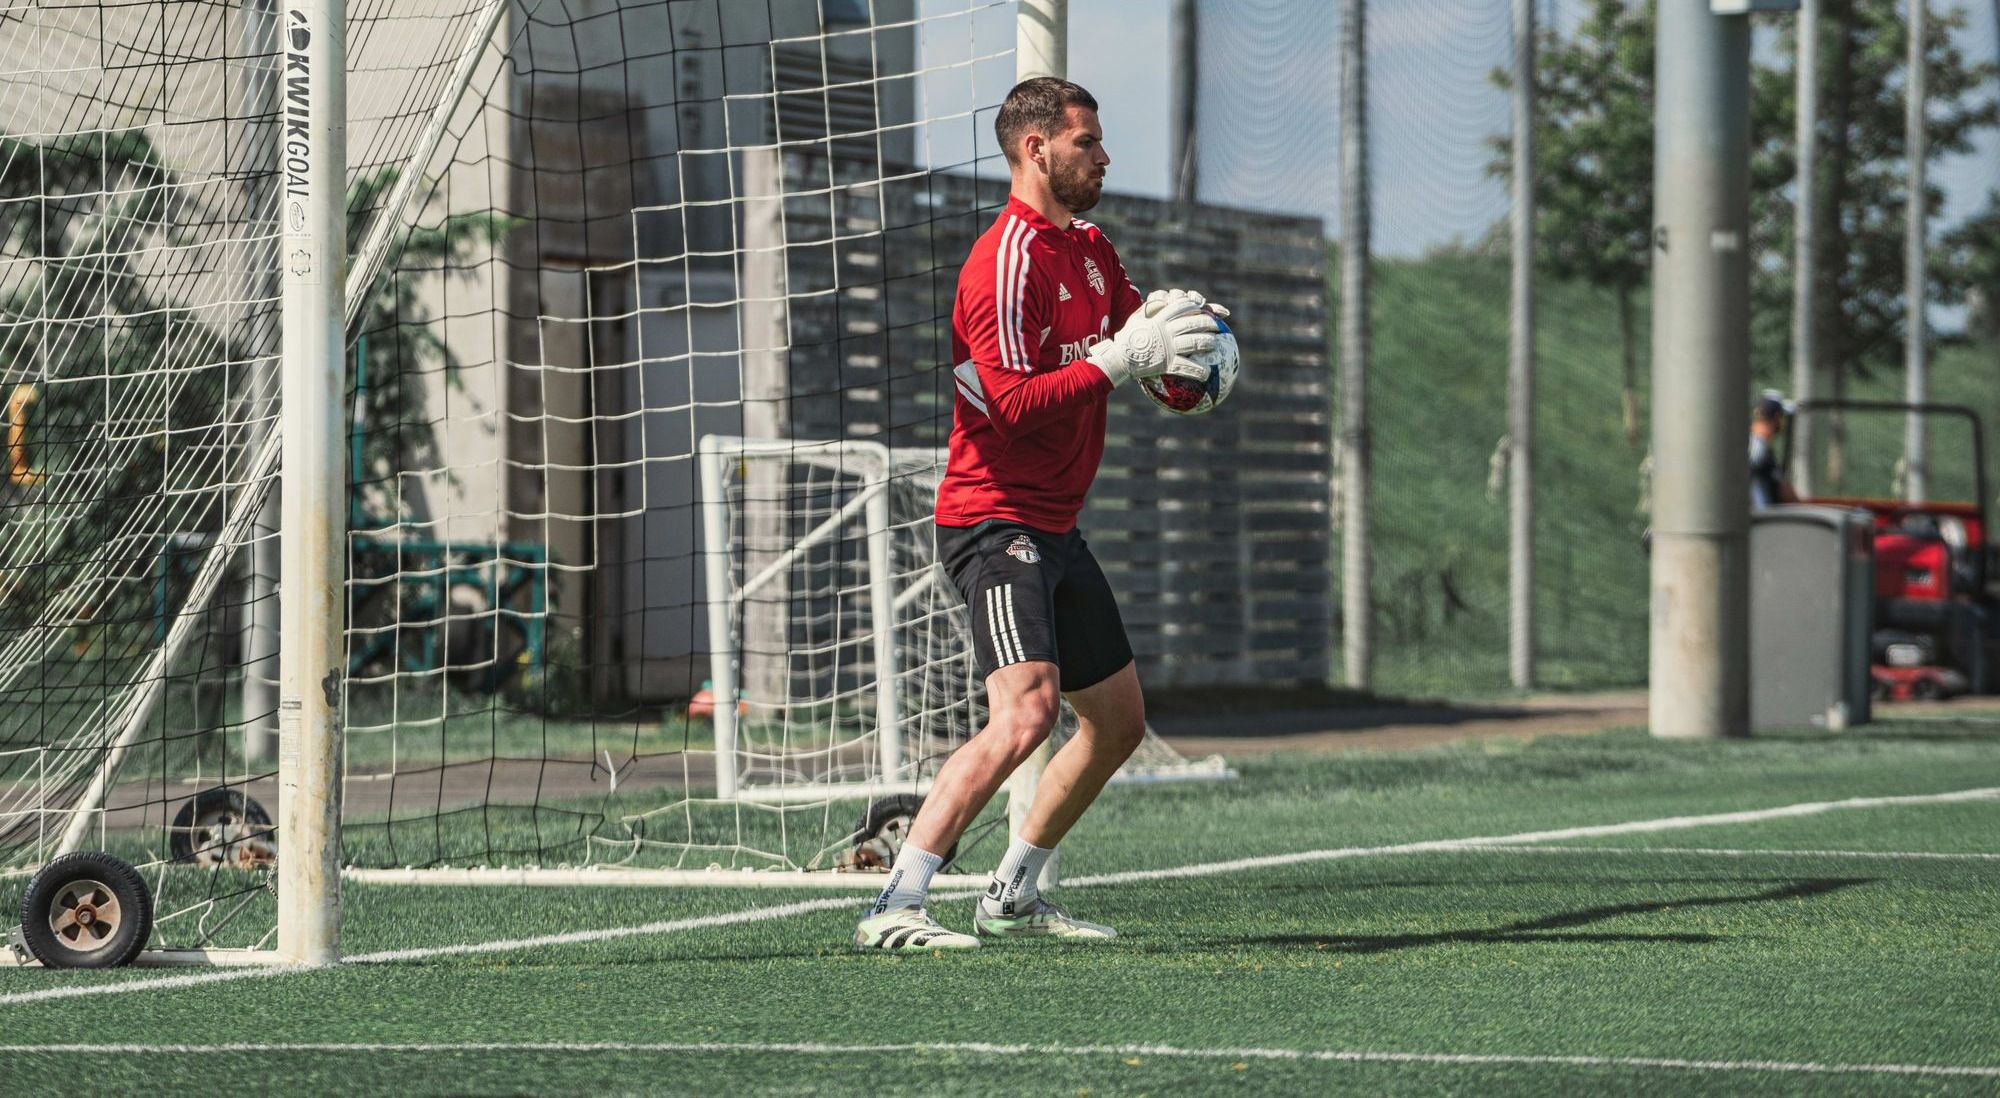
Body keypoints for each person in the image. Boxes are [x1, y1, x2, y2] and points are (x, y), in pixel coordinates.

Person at [852, 77, 1228, 952]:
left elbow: (1141, 340)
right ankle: (895, 904)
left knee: (1120, 722)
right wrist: (1116, 360)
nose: (1102, 156)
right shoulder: (1003, 261)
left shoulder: (1092, 248)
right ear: (1036, 150)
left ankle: (1012, 893)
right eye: (1087, 142)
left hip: (1056, 523)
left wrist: (1185, 337)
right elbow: (1012, 407)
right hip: (993, 520)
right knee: (1026, 713)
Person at [1750, 390, 1797, 510]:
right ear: (1777, 417)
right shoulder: (1757, 449)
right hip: (1760, 521)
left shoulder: (1758, 446)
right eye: (1782, 417)